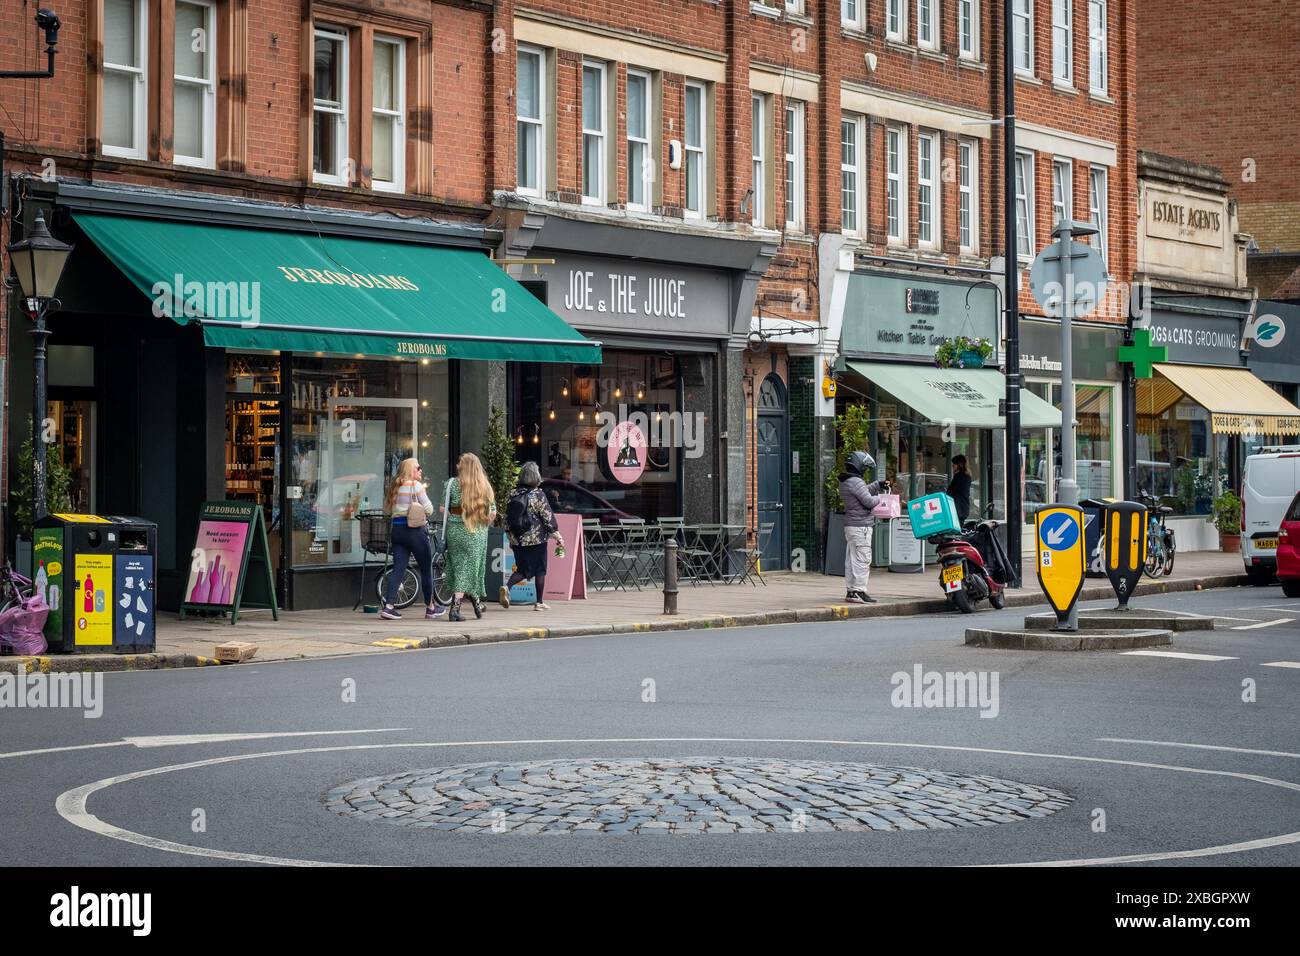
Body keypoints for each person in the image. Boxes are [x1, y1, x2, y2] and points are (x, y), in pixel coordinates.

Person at [380, 458, 444, 621]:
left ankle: (389, 607)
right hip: (414, 531)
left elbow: (386, 510)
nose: (421, 470)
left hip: (397, 531)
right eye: (418, 468)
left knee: (398, 568)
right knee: (426, 568)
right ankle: (431, 608)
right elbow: (429, 509)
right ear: (410, 470)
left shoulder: (395, 487)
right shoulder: (415, 486)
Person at [501, 461, 564, 611]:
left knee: (522, 570)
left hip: (518, 539)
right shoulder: (538, 494)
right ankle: (539, 602)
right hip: (537, 540)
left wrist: (510, 537)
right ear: (536, 477)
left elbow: (506, 519)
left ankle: (506, 587)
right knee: (540, 570)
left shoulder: (512, 493)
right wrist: (557, 536)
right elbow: (547, 517)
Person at [443, 452, 496, 622]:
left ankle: (477, 604)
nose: (457, 465)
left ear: (462, 466)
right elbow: (492, 514)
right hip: (475, 532)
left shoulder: (450, 484)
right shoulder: (485, 487)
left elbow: (443, 509)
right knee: (469, 570)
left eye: (460, 463)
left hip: (454, 531)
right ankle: (455, 609)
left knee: (460, 568)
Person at [838, 450, 891, 605]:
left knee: (852, 559)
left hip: (851, 526)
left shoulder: (847, 480)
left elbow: (862, 492)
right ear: (859, 465)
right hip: (861, 526)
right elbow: (868, 501)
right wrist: (882, 497)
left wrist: (877, 485)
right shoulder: (855, 482)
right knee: (862, 559)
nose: (865, 470)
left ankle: (851, 590)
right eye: (865, 467)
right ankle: (859, 590)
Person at [947, 454, 973, 524]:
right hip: (962, 508)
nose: (952, 466)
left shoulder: (959, 476)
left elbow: (951, 491)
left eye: (954, 464)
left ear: (959, 464)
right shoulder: (966, 476)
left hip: (958, 508)